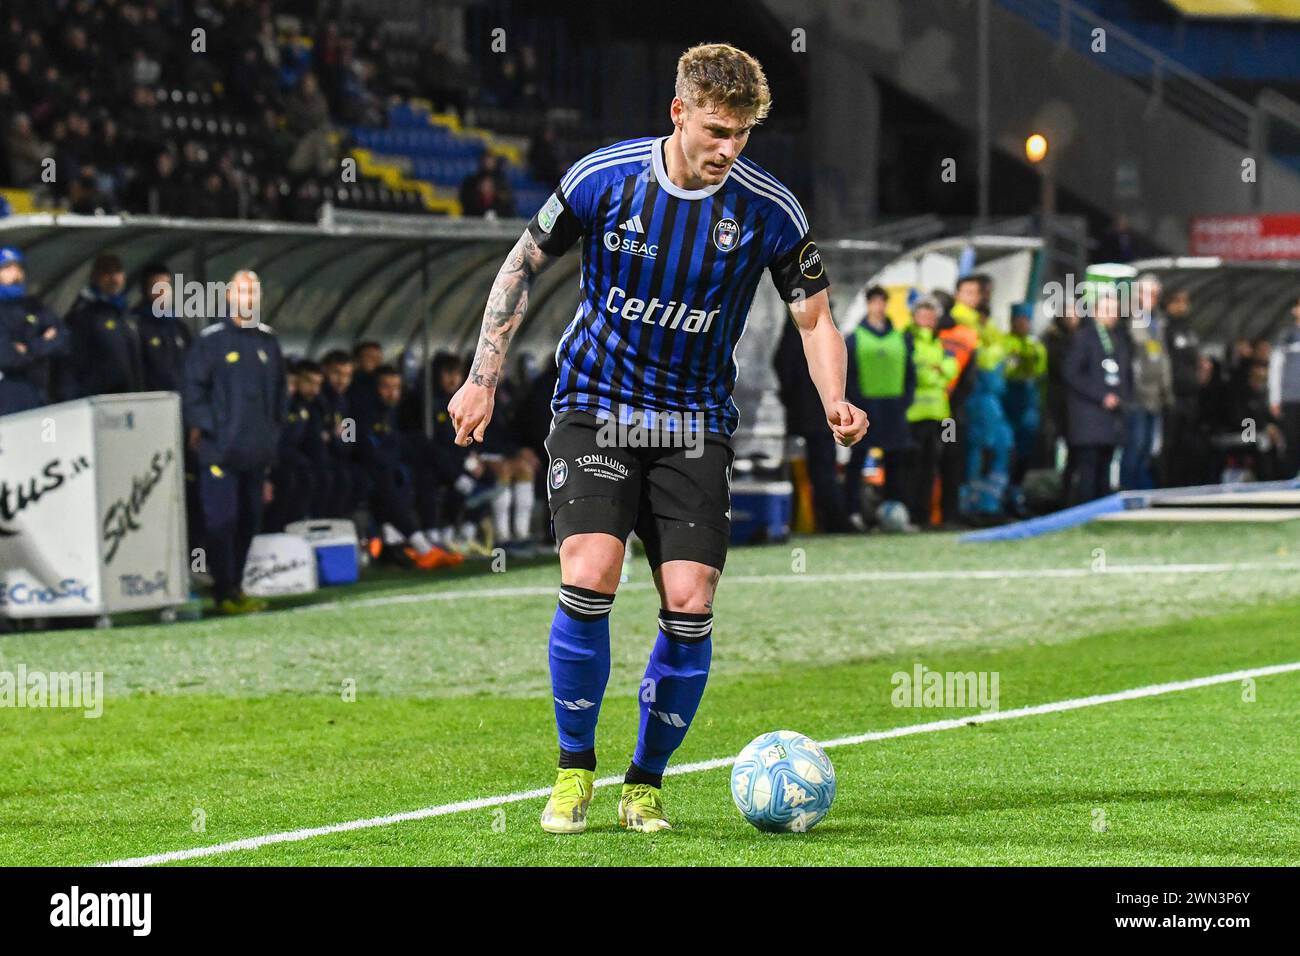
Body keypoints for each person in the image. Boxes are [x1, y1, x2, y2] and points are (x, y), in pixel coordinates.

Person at [447, 43, 868, 835]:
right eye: (716, 130)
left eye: (741, 134)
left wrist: (835, 398)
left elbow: (815, 318)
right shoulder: (604, 179)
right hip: (596, 407)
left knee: (690, 600)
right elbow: (520, 265)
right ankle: (574, 770)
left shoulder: (769, 209)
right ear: (679, 112)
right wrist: (481, 377)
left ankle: (644, 784)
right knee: (590, 571)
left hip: (692, 423)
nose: (728, 148)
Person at [182, 271, 285, 616]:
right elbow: (193, 390)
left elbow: (279, 398)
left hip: (256, 453)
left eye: (253, 292)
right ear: (228, 296)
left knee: (249, 520)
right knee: (221, 521)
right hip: (219, 452)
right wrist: (209, 429)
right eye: (242, 292)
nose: (248, 298)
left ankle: (236, 586)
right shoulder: (211, 341)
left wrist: (271, 447)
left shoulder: (268, 342)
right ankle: (222, 588)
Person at [356, 365, 462, 570]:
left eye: (396, 387)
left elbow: (392, 445)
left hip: (384, 468)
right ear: (375, 388)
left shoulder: (391, 411)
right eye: (386, 387)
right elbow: (362, 448)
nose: (392, 392)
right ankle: (422, 548)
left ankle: (402, 544)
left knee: (420, 469)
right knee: (384, 481)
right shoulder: (362, 413)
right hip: (362, 470)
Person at [774, 303, 850, 533]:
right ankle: (829, 521)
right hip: (817, 412)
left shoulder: (797, 324)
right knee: (823, 468)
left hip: (807, 412)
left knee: (810, 468)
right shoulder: (818, 322)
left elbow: (783, 365)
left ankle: (807, 521)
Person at [843, 284, 915, 528]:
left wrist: (905, 401)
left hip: (894, 408)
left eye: (882, 302)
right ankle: (853, 513)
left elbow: (910, 373)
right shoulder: (855, 338)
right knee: (857, 461)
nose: (879, 307)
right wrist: (858, 402)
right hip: (867, 409)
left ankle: (894, 513)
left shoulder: (900, 337)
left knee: (896, 463)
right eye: (874, 302)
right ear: (868, 305)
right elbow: (848, 373)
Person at [1063, 285, 1132, 503]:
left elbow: (1124, 375)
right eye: (1107, 310)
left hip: (1110, 420)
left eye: (1115, 310)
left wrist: (1123, 398)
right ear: (1095, 311)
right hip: (1089, 419)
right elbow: (1071, 373)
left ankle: (1101, 512)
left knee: (1104, 470)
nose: (1112, 315)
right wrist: (1100, 395)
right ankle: (1085, 512)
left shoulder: (1118, 339)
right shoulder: (1084, 338)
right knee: (1088, 471)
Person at [904, 296, 956, 529]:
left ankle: (925, 515)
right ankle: (911, 514)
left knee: (934, 464)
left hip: (941, 415)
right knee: (912, 466)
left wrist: (935, 372)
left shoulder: (940, 342)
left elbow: (952, 368)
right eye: (923, 315)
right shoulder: (907, 340)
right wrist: (938, 373)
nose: (927, 320)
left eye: (931, 316)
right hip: (915, 414)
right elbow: (919, 373)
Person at [60, 252, 143, 398]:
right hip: (97, 398)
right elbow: (71, 361)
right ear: (96, 277)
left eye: (118, 272)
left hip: (128, 397)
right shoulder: (84, 314)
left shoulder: (126, 314)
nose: (114, 279)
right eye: (107, 273)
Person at [0, 246, 68, 415]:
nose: (15, 274)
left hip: (38, 394)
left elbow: (64, 340)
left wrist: (29, 348)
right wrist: (44, 342)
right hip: (8, 399)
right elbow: (8, 357)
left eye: (19, 268)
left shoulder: (33, 305)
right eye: (7, 268)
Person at [936, 275, 980, 525]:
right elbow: (969, 378)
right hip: (948, 412)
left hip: (941, 413)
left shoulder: (925, 335)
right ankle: (945, 514)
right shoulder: (963, 335)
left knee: (945, 460)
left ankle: (938, 513)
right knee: (948, 460)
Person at [1121, 273, 1172, 490]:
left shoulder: (1157, 321)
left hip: (1155, 395)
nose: (1152, 298)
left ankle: (1142, 489)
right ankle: (1128, 488)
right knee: (1136, 443)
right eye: (1148, 293)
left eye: (1155, 294)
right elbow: (1138, 352)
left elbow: (1162, 356)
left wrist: (1166, 389)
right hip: (1137, 394)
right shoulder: (1131, 318)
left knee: (1148, 446)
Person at [1001, 305, 1047, 503]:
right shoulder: (1004, 343)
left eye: (1026, 320)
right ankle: (1000, 492)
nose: (1022, 324)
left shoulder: (1036, 346)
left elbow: (1041, 374)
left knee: (1024, 451)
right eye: (1018, 320)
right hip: (1007, 405)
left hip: (1028, 406)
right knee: (1005, 449)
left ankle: (1015, 490)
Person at [1161, 288, 1201, 486]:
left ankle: (1186, 484)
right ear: (1169, 304)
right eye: (1179, 301)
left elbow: (1193, 358)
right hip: (1173, 395)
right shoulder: (1165, 327)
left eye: (1186, 301)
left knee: (1189, 443)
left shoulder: (1189, 329)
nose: (1184, 305)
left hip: (1191, 394)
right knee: (1171, 443)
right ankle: (1169, 483)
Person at [135, 261, 191, 392]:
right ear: (145, 290)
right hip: (150, 400)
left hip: (180, 398)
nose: (162, 293)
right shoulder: (135, 326)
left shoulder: (179, 327)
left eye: (166, 287)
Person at [1268, 294, 1300, 478]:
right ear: (1294, 310)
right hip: (1291, 397)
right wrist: (1274, 398)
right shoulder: (1286, 336)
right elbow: (1276, 368)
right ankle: (1291, 478)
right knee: (1291, 440)